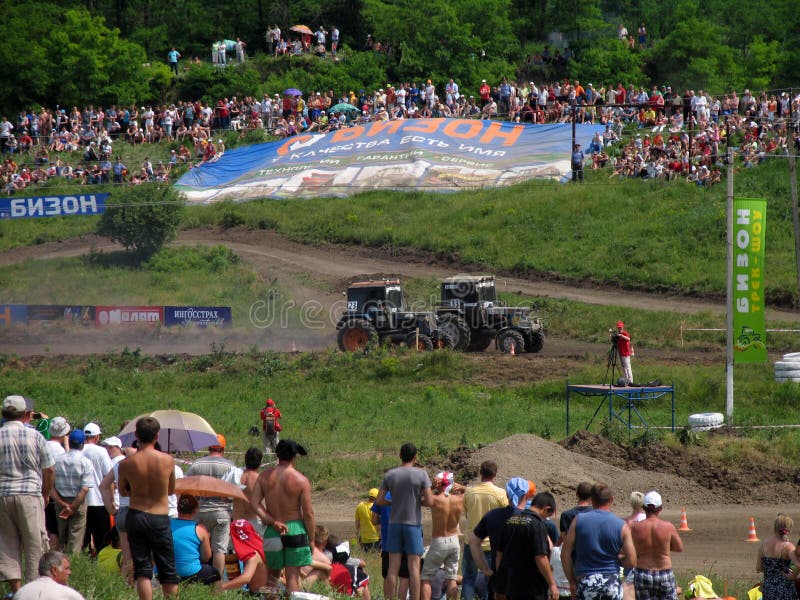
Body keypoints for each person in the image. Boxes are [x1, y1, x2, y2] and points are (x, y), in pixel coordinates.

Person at [117, 416, 179, 600]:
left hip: (136, 515)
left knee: (143, 569)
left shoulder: (126, 463)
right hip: (159, 516)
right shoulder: (167, 460)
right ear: (157, 436)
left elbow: (122, 491)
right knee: (167, 568)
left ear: (136, 435)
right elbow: (171, 489)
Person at [0, 395, 55, 594]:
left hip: (3, 495)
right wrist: (46, 493)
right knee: (34, 543)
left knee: (7, 543)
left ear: (3, 415)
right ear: (25, 414)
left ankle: (16, 589)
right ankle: (32, 590)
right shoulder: (35, 436)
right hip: (29, 494)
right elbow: (49, 469)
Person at [250, 439, 315, 596]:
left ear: (277, 455)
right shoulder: (301, 480)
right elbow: (308, 514)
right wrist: (312, 539)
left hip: (273, 530)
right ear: (294, 457)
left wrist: (272, 521)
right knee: (292, 576)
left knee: (272, 577)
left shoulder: (264, 476)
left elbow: (254, 503)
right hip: (295, 529)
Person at [376, 442, 433, 600]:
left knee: (392, 568)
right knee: (414, 567)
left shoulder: (390, 474)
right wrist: (417, 500)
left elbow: (380, 500)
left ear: (400, 455)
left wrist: (393, 502)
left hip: (394, 524)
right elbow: (429, 501)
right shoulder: (422, 475)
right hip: (413, 524)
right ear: (415, 457)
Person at [562, 484, 637, 600]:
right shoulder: (621, 525)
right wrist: (617, 561)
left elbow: (565, 554)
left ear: (591, 499)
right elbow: (632, 560)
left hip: (586, 581)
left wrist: (571, 581)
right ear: (612, 499)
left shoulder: (579, 520)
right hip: (611, 582)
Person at [469, 477, 534, 600]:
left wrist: (485, 569)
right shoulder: (530, 518)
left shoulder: (492, 515)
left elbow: (473, 541)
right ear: (526, 495)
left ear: (507, 493)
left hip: (498, 577)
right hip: (524, 580)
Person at [186, 433, 236, 578]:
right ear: (223, 448)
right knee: (220, 550)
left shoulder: (197, 464)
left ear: (209, 447)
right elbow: (233, 490)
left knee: (197, 547)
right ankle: (217, 584)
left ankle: (197, 579)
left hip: (200, 511)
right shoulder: (230, 466)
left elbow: (187, 487)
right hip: (221, 512)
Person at [496, 491, 560, 600]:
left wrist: (499, 581)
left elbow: (499, 554)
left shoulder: (510, 521)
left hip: (509, 585)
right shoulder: (537, 525)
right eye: (548, 515)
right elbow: (541, 557)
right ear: (546, 508)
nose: (545, 519)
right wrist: (552, 584)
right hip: (530, 586)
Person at [462, 460, 508, 600]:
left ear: (480, 473)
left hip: (471, 540)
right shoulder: (500, 493)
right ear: (495, 475)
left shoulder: (469, 492)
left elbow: (467, 513)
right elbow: (506, 514)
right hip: (490, 543)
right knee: (491, 581)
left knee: (468, 578)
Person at [629, 491, 683, 600]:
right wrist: (664, 546)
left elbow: (628, 547)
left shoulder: (635, 527)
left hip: (642, 572)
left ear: (644, 507)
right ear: (660, 508)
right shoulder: (668, 527)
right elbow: (679, 547)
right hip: (664, 572)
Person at [421, 472, 464, 600]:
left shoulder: (435, 499)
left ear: (439, 483)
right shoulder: (460, 499)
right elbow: (471, 492)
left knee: (426, 578)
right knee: (451, 578)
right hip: (454, 540)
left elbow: (419, 499)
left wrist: (432, 487)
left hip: (440, 540)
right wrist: (461, 487)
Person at [50, 429, 93, 554]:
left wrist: (61, 503)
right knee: (76, 535)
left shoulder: (57, 460)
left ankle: (60, 560)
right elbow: (85, 488)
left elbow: (51, 485)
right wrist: (72, 507)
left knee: (62, 535)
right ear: (82, 444)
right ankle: (72, 564)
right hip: (78, 501)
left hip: (60, 500)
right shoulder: (85, 462)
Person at [170, 494, 221, 587]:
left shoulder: (166, 525)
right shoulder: (200, 529)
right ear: (195, 510)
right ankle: (215, 596)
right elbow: (206, 557)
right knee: (215, 573)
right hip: (190, 573)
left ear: (177, 509)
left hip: (167, 571)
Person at [372, 491, 410, 600]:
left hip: (388, 543)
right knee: (404, 577)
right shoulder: (406, 494)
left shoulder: (382, 497)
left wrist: (384, 520)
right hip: (405, 542)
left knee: (388, 575)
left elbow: (374, 520)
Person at [81, 422, 112, 555]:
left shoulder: (78, 449)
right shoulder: (101, 451)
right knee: (102, 540)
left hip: (81, 500)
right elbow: (109, 474)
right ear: (97, 437)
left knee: (83, 539)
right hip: (99, 500)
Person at [12, 550, 85, 600]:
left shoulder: (21, 592)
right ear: (54, 570)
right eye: (67, 568)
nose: (70, 572)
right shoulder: (67, 593)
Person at [756, 513, 796, 600]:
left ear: (774, 527)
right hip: (785, 589)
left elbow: (758, 568)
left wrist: (772, 569)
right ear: (789, 529)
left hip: (768, 589)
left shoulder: (762, 546)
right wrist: (793, 575)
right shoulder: (788, 546)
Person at [224, 518, 269, 592]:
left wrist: (223, 587)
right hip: (266, 592)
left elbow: (246, 578)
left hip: (260, 595)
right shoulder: (261, 548)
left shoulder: (253, 554)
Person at [232, 447, 263, 532]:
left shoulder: (236, 476)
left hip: (236, 522)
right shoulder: (259, 479)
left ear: (245, 460)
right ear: (260, 462)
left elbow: (225, 499)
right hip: (251, 522)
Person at [612, 321, 634, 385]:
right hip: (620, 353)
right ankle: (625, 380)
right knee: (623, 367)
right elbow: (614, 341)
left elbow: (628, 339)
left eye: (621, 327)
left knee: (628, 367)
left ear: (622, 327)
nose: (620, 329)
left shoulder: (624, 333)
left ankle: (631, 381)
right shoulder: (617, 335)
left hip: (626, 353)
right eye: (619, 327)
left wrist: (622, 336)